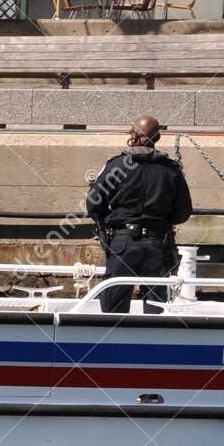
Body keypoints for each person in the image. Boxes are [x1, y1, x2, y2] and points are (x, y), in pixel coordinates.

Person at [84, 115, 194, 314]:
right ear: (158, 138)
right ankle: (151, 342)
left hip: (122, 243)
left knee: (113, 302)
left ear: (133, 136)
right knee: (157, 304)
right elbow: (183, 212)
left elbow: (93, 204)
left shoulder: (116, 166)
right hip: (157, 243)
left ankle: (113, 342)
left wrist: (109, 220)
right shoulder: (171, 171)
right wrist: (160, 221)